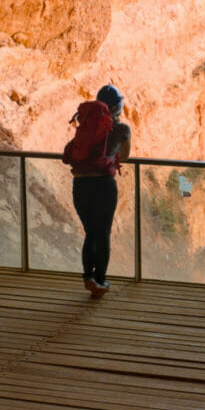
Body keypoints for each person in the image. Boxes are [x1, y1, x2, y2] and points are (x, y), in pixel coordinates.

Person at [69, 84, 131, 297]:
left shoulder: (86, 127)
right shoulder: (121, 130)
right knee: (103, 234)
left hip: (80, 185)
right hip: (103, 186)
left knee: (90, 233)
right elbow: (123, 157)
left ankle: (88, 277)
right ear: (116, 108)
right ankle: (101, 280)